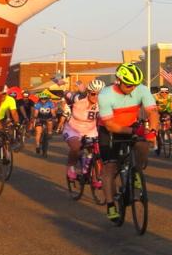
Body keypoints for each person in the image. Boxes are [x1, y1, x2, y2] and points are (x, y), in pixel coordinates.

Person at [95, 64, 160, 224]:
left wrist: (152, 131)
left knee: (143, 144)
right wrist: (134, 131)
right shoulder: (105, 95)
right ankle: (111, 205)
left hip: (131, 125)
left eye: (135, 85)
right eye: (129, 85)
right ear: (119, 80)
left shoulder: (142, 89)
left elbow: (152, 112)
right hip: (109, 130)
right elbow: (110, 125)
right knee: (110, 168)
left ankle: (136, 171)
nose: (132, 88)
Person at [63, 79, 103, 189]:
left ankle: (95, 177)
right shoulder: (78, 98)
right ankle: (71, 166)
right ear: (88, 92)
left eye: (99, 94)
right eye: (93, 94)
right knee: (76, 147)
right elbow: (66, 93)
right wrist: (68, 102)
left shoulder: (103, 103)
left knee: (97, 153)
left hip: (90, 131)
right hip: (73, 129)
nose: (96, 97)